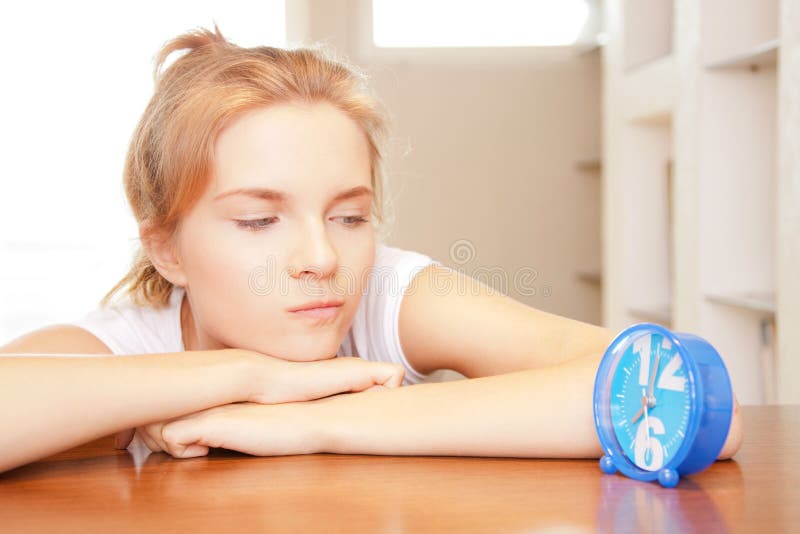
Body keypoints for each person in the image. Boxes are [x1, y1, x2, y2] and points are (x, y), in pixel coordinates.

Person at [0, 26, 742, 473]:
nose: (321, 257)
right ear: (166, 250)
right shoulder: (126, 340)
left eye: (350, 217)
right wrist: (242, 376)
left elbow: (693, 400)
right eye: (260, 222)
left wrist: (311, 421)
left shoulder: (385, 293)